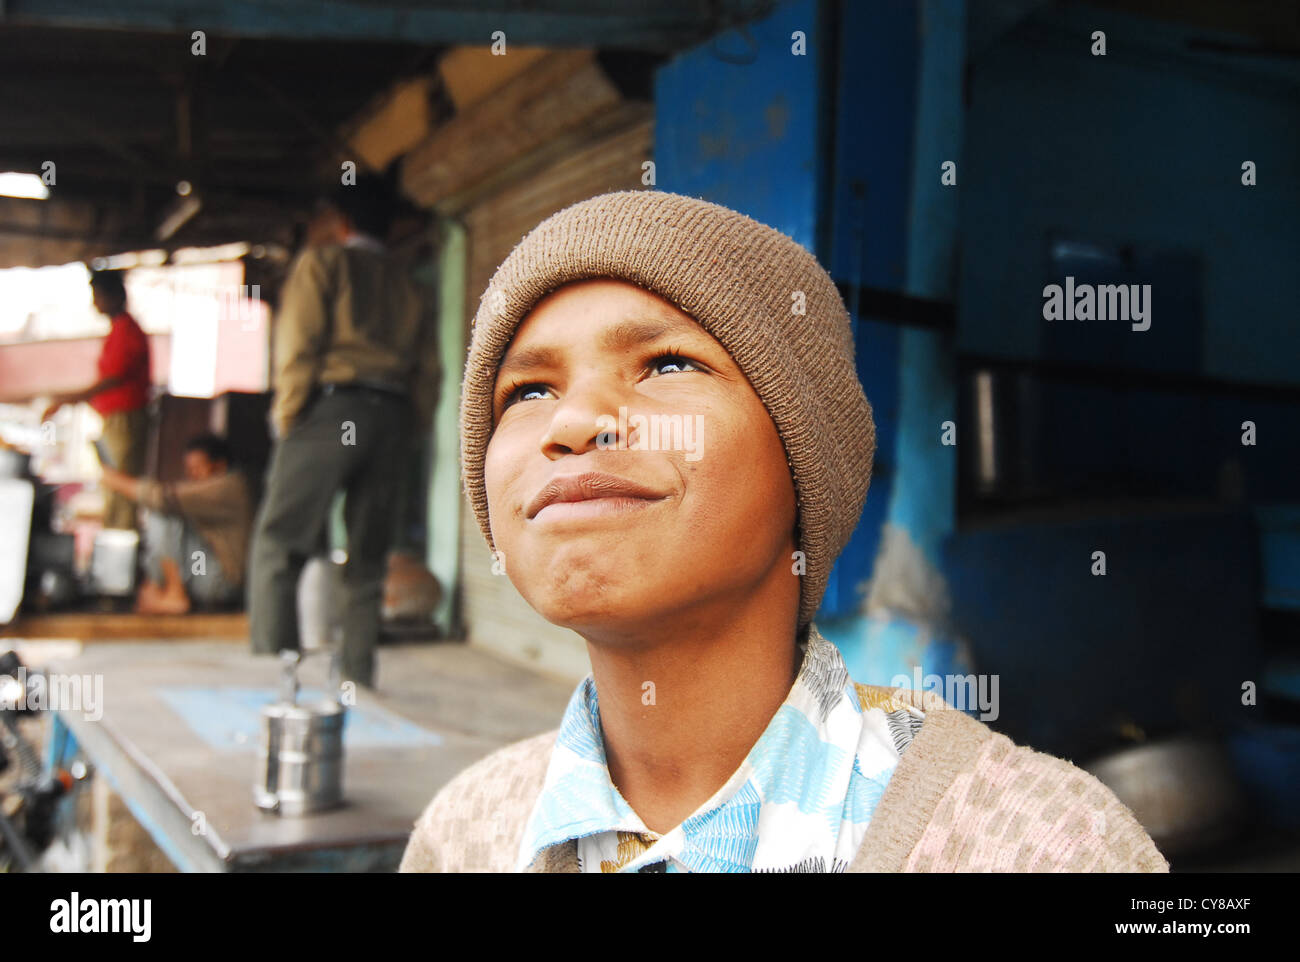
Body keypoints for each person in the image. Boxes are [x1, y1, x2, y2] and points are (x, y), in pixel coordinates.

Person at [399, 191, 1168, 873]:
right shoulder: (466, 834)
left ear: (806, 459)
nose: (570, 422)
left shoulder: (1038, 846)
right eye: (528, 389)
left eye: (668, 366)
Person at [246, 174, 439, 689]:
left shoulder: (322, 264)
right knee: (369, 558)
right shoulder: (410, 284)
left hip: (331, 411)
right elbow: (430, 371)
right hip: (392, 417)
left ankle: (275, 667)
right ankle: (357, 673)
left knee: (279, 541)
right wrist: (411, 428)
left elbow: (298, 346)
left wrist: (288, 417)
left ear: (341, 222)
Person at [43, 269, 151, 530]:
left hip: (125, 419)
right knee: (112, 483)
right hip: (115, 419)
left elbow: (112, 379)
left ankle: (121, 544)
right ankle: (115, 539)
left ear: (114, 296)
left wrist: (67, 400)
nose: (95, 303)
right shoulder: (119, 330)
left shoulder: (127, 331)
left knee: (121, 485)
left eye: (98, 296)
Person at [99, 433, 252, 613]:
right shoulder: (225, 488)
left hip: (218, 581)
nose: (192, 475)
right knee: (168, 514)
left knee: (163, 513)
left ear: (219, 466)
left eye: (198, 468)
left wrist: (116, 481)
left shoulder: (229, 486)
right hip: (201, 571)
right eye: (189, 469)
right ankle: (159, 590)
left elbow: (162, 498)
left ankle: (174, 594)